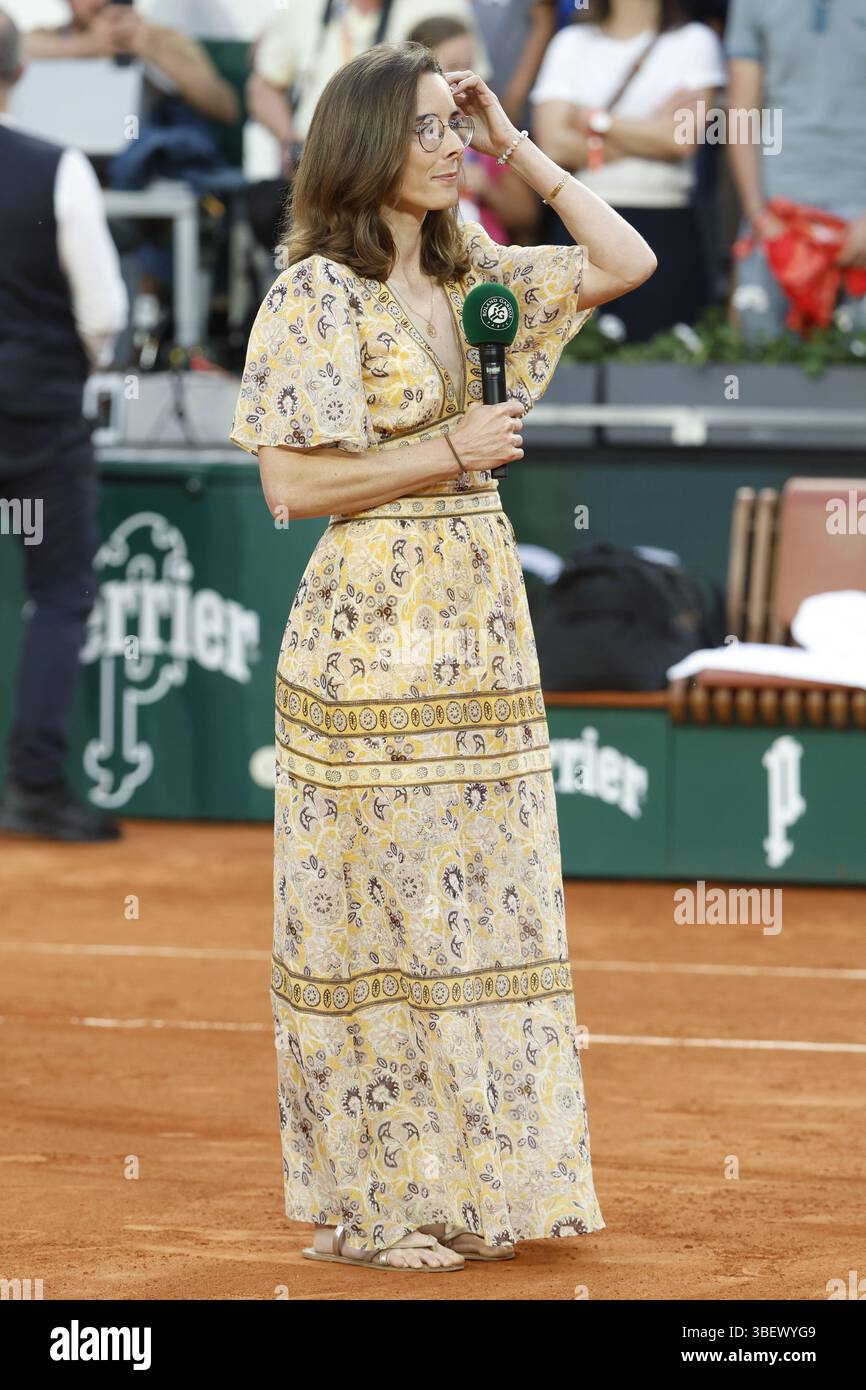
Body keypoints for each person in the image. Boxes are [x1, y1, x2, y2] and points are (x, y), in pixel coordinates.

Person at [230, 40, 655, 1270]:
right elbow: (291, 483)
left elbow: (626, 261)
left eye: (452, 126)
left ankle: (468, 1184)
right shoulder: (313, 294)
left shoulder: (476, 276)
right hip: (367, 639)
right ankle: (377, 1203)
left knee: (479, 910)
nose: (449, 145)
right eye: (427, 129)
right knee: (375, 918)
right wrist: (451, 450)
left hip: (477, 632)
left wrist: (514, 138)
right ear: (365, 147)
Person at [0, 9, 128, 841]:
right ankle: (33, 787)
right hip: (36, 415)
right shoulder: (57, 167)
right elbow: (104, 312)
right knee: (59, 594)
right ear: (18, 71)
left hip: (37, 407)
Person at [530, 0, 725, 340]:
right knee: (574, 356)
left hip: (666, 223)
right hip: (582, 221)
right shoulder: (571, 42)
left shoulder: (696, 41)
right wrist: (651, 130)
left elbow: (680, 140)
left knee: (667, 357)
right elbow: (553, 145)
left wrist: (593, 121)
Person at [725, 0, 866, 343]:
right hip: (777, 214)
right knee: (761, 372)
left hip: (859, 209)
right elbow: (742, 115)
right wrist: (759, 215)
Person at [246, 0, 491, 182]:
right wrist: (291, 144)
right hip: (314, 168)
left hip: (401, 168)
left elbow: (471, 89)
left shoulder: (442, 5)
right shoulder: (302, 6)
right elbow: (263, 86)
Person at [408, 14, 538, 243]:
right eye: (452, 67)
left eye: (470, 66)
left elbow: (526, 215)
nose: (463, 78)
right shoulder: (402, 132)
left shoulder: (480, 128)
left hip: (489, 260)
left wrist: (487, 188)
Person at [24, 0, 239, 125]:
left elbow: (225, 107)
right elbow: (14, 47)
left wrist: (151, 50)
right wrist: (87, 46)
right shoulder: (49, 36)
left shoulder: (162, 38)